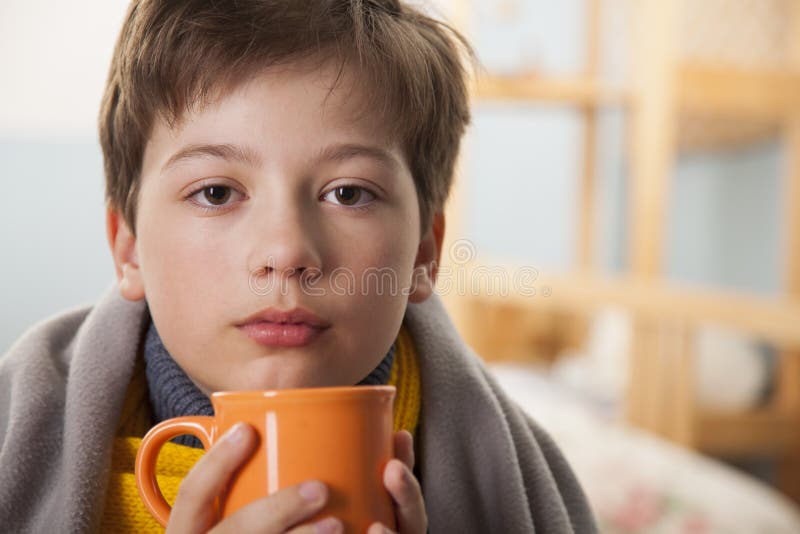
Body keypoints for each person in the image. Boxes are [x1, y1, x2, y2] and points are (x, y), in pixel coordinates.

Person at [0, 1, 597, 532]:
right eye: (215, 193)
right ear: (128, 249)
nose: (286, 252)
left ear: (423, 253)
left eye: (348, 194)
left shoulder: (518, 476)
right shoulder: (17, 431)